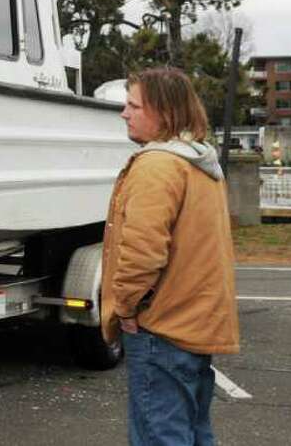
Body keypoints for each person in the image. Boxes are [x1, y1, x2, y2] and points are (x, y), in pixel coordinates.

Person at [101, 67, 240, 445]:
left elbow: (142, 252)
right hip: (196, 323)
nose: (124, 113)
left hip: (161, 327)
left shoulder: (157, 165)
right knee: (194, 433)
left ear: (163, 113)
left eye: (133, 106)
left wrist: (127, 309)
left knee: (159, 436)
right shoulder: (200, 163)